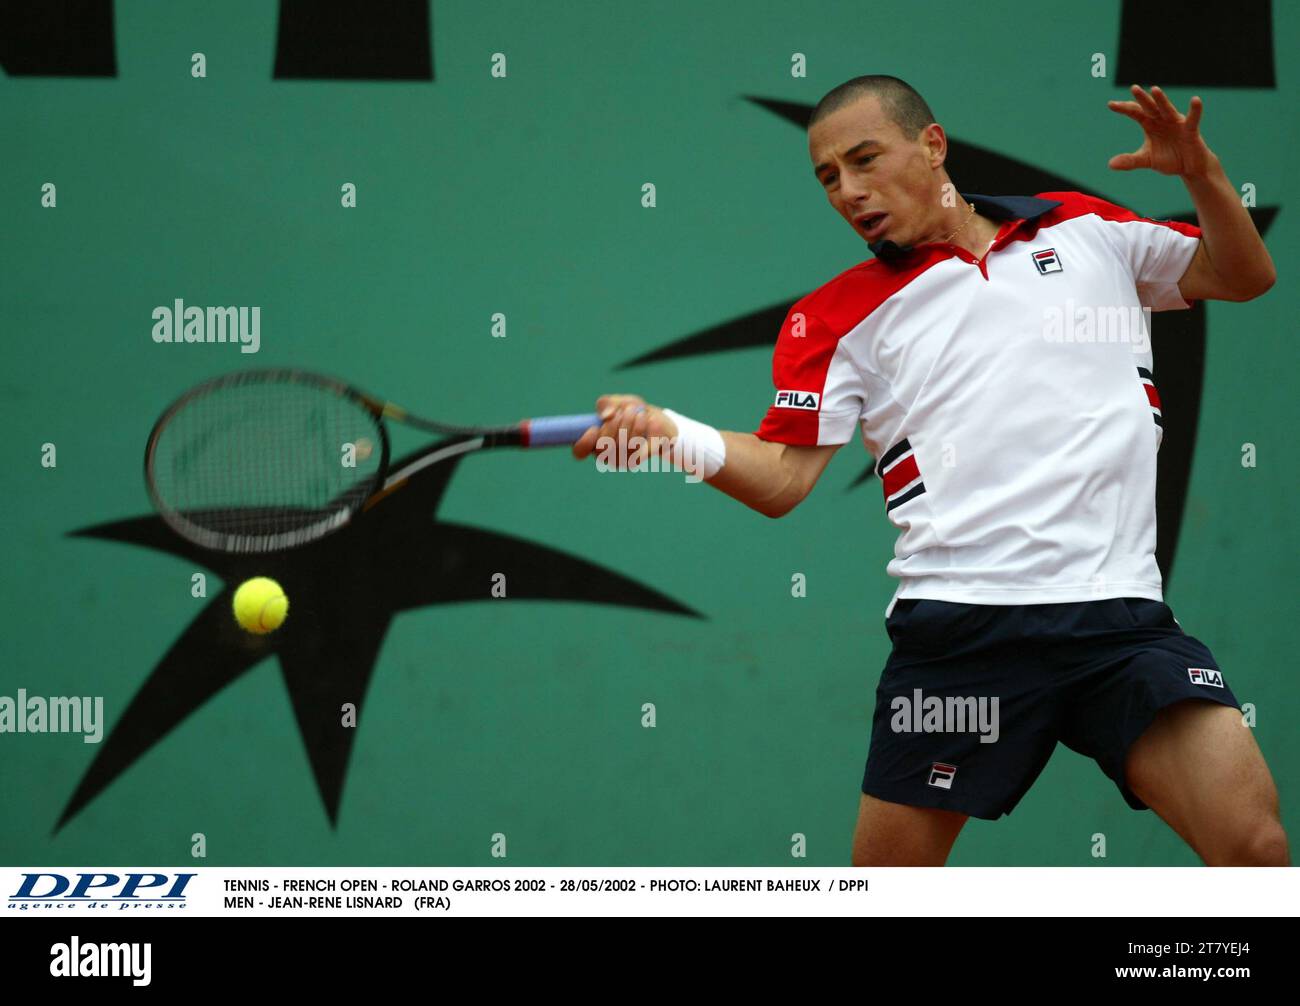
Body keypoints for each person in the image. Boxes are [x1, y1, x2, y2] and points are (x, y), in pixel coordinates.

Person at [572, 75, 1286, 866]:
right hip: (962, 639)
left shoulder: (1084, 230)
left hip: (1120, 625)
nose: (848, 191)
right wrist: (669, 433)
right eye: (828, 178)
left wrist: (1202, 174)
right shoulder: (837, 317)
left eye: (864, 159)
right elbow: (780, 478)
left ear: (933, 145)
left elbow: (1242, 276)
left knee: (1253, 848)